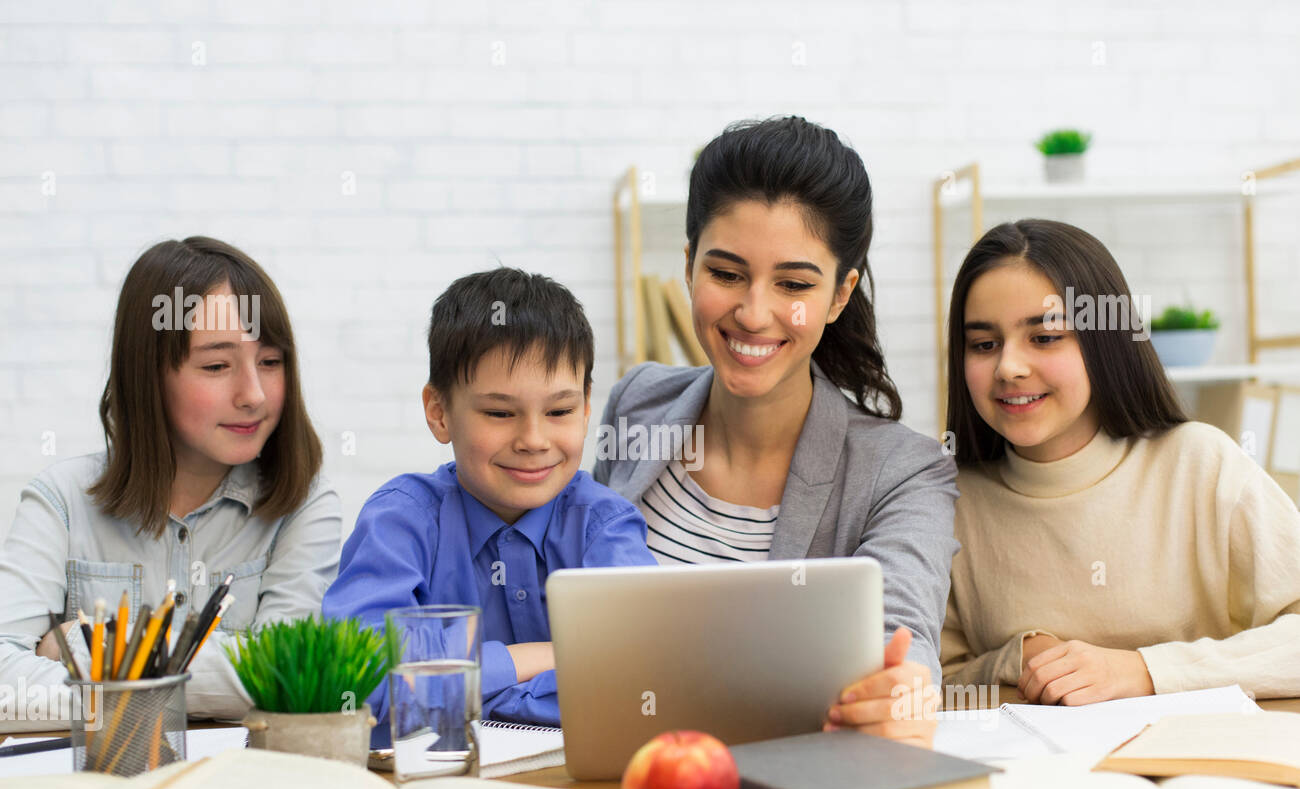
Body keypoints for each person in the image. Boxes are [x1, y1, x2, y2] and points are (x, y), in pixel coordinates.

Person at [594, 117, 958, 747]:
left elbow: (903, 633)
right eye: (727, 274)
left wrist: (897, 690)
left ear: (840, 295)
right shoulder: (637, 406)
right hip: (622, 777)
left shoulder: (905, 470)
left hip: (792, 784)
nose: (754, 313)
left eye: (793, 284)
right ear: (687, 266)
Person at [940, 218, 1300, 704]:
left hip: (1198, 765)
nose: (1008, 367)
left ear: (1103, 343)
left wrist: (1144, 671)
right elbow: (933, 680)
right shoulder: (949, 503)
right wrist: (1020, 659)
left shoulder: (1200, 463)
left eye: (1045, 338)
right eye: (984, 344)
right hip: (1046, 775)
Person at [0, 236, 340, 722]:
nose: (254, 395)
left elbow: (287, 675)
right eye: (217, 366)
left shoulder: (303, 503)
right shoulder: (62, 498)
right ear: (148, 375)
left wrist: (84, 646)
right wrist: (211, 678)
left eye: (270, 361)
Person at [322, 268, 655, 740]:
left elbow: (642, 678)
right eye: (499, 413)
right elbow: (356, 684)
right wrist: (544, 657)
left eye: (559, 411)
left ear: (585, 410)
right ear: (439, 413)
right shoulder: (400, 521)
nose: (534, 440)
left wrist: (474, 688)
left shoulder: (604, 525)